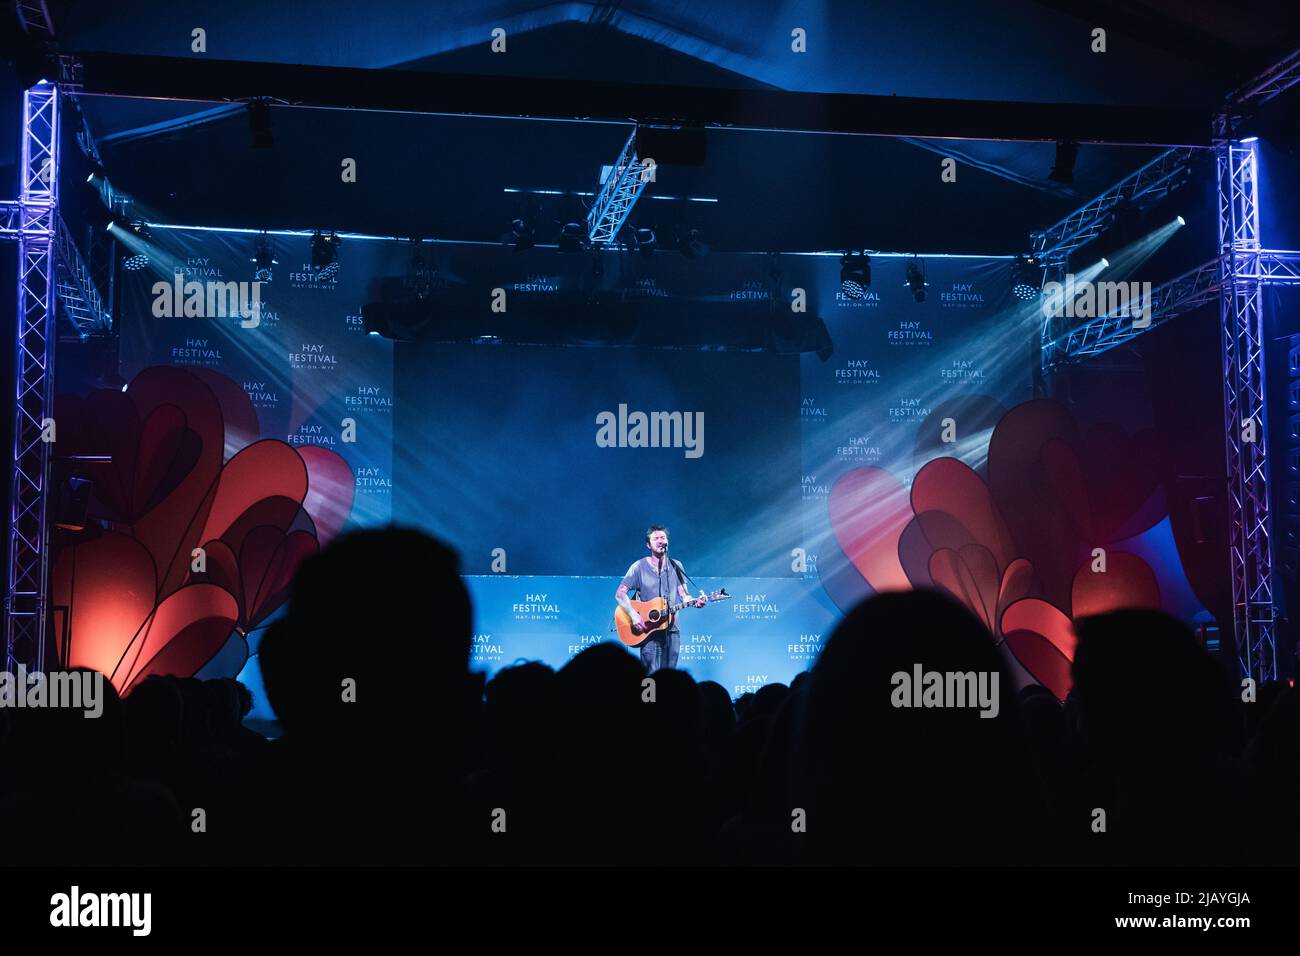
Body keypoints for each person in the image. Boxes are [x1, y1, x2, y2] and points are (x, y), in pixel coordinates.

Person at [615, 525, 706, 672]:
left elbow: (684, 595)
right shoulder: (638, 567)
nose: (660, 541)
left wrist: (695, 601)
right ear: (648, 545)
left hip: (672, 629)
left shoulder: (676, 565)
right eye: (656, 538)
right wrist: (633, 615)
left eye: (663, 537)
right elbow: (620, 594)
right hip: (648, 631)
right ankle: (650, 690)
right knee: (650, 676)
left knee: (669, 676)